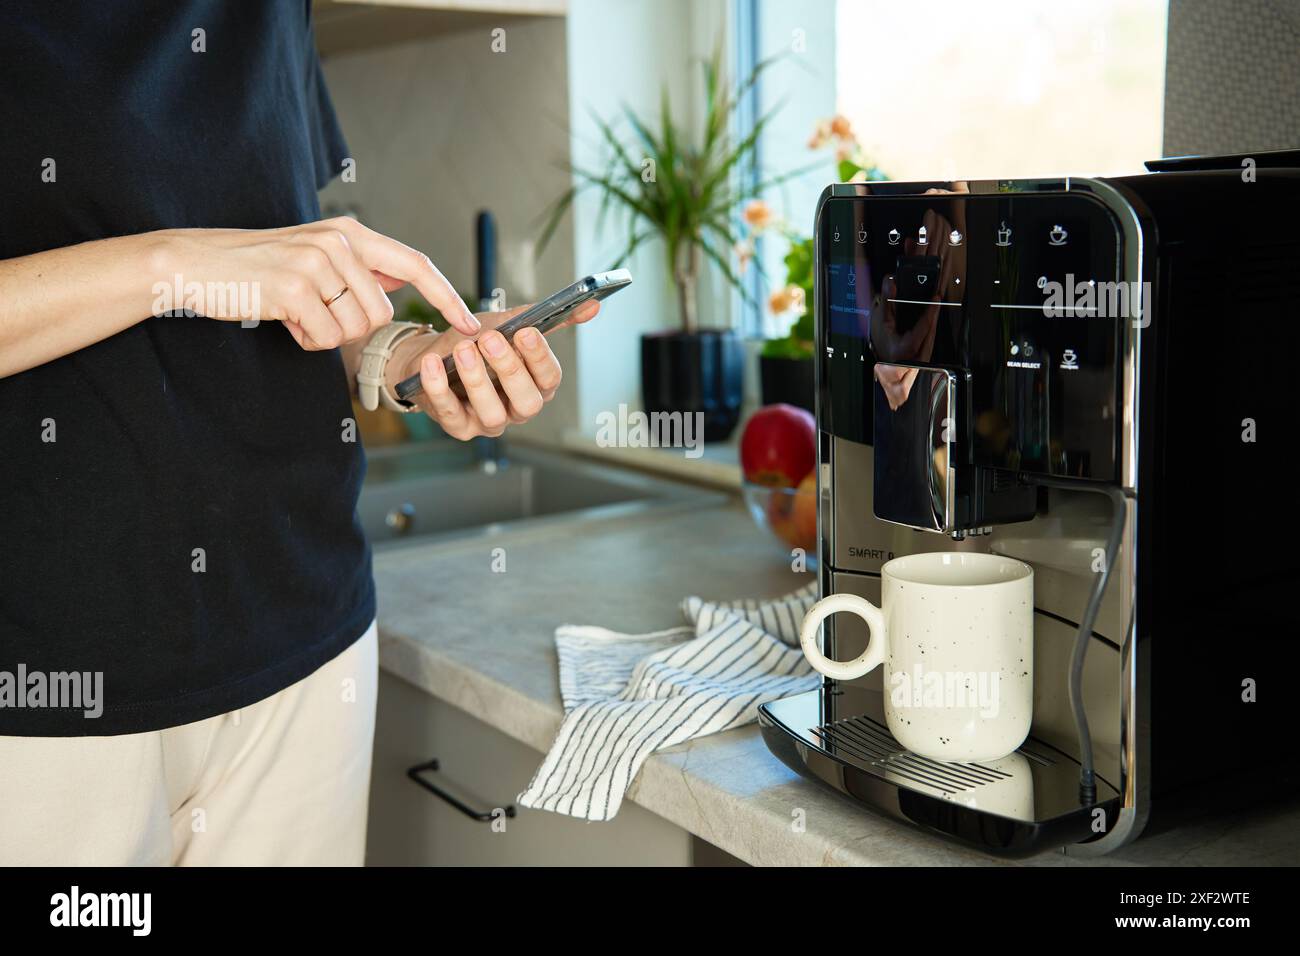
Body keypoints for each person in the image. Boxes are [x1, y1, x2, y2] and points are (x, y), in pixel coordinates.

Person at [0, 0, 597, 865]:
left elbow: (288, 275)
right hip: (42, 687)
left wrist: (408, 357)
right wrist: (173, 264)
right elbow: (226, 263)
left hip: (308, 636)